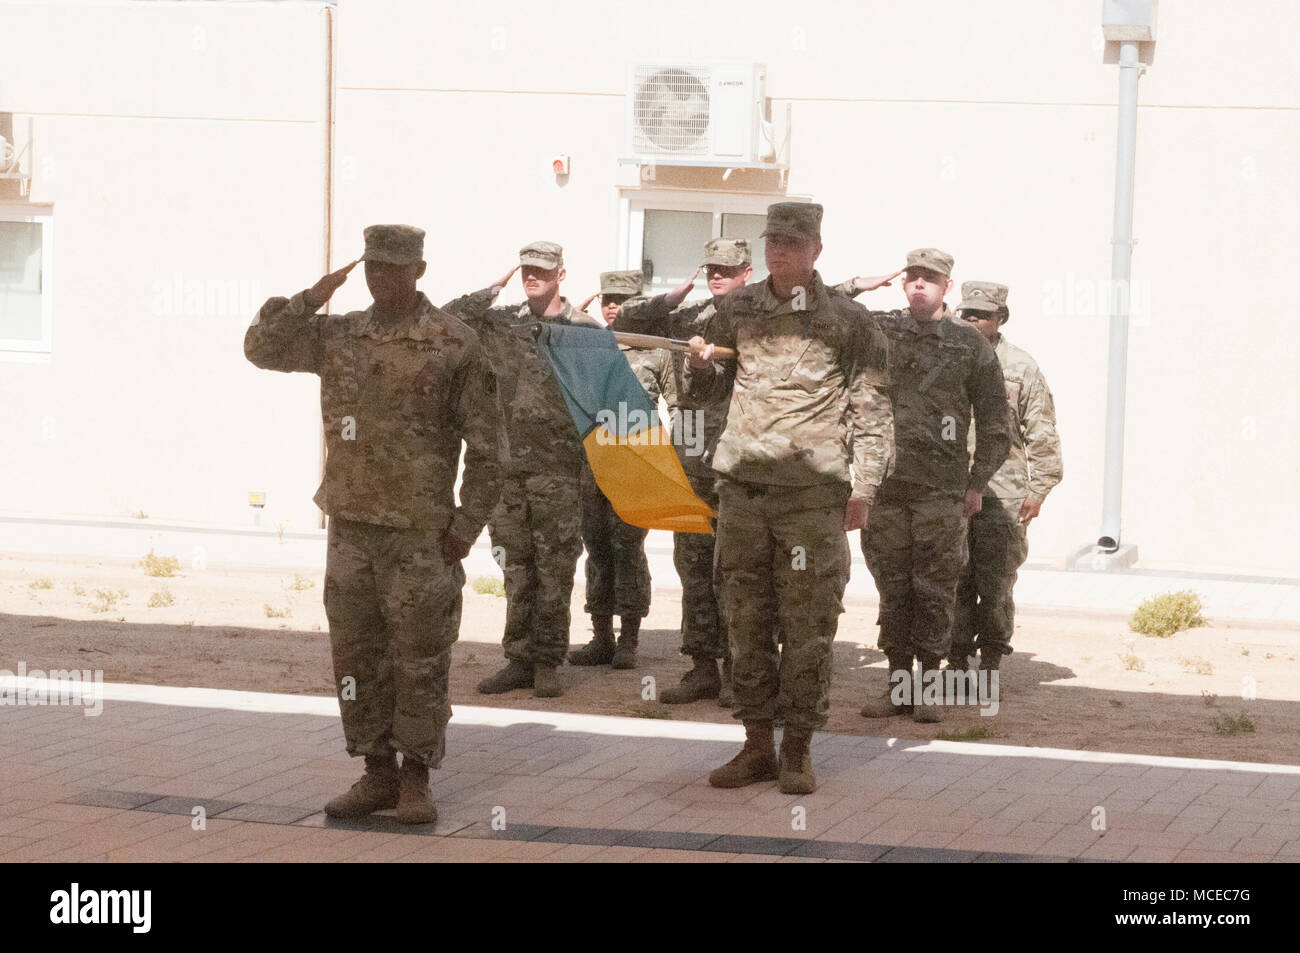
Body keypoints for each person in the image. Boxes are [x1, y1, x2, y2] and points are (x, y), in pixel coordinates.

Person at [244, 225, 503, 824]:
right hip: (353, 528)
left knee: (418, 655)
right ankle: (375, 771)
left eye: (393, 268)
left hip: (421, 533)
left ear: (419, 270)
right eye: (372, 267)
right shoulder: (340, 337)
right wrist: (311, 296)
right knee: (356, 656)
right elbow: (262, 348)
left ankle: (416, 779)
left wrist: (465, 526)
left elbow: (490, 449)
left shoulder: (454, 344)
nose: (380, 278)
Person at [686, 203, 893, 794]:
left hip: (810, 498)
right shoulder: (735, 309)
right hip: (745, 491)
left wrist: (866, 487)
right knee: (744, 621)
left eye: (792, 243)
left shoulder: (849, 322)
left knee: (807, 624)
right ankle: (756, 744)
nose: (780, 252)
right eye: (772, 241)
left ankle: (798, 748)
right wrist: (700, 363)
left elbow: (873, 408)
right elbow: (706, 387)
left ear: (816, 251)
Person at [839, 250, 1011, 723]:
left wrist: (977, 483)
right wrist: (860, 282)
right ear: (902, 282)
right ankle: (898, 686)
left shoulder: (969, 344)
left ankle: (929, 688)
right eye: (912, 277)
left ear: (947, 287)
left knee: (935, 592)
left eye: (929, 279)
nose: (919, 285)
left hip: (941, 491)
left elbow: (997, 422)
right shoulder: (878, 329)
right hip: (886, 489)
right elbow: (820, 304)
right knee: (893, 591)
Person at [443, 241, 603, 699]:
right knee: (515, 567)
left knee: (556, 568)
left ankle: (548, 661)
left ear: (561, 274)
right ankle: (519, 658)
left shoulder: (584, 331)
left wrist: (592, 472)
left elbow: (601, 406)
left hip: (559, 469)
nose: (533, 276)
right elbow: (450, 318)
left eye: (542, 270)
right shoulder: (501, 322)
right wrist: (492, 287)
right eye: (527, 269)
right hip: (507, 469)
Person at [612, 240, 753, 706]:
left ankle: (738, 670)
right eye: (711, 268)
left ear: (746, 272)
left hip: (737, 458)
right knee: (692, 563)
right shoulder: (686, 317)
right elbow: (629, 322)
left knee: (735, 570)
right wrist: (669, 298)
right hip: (691, 452)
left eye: (727, 270)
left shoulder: (760, 319)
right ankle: (702, 667)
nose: (717, 276)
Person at [951, 281, 1062, 676]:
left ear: (1001, 318)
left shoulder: (1020, 367)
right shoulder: (946, 358)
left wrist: (1039, 490)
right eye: (967, 313)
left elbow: (1042, 431)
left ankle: (991, 660)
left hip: (1004, 491)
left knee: (995, 582)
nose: (972, 320)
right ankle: (957, 659)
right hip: (951, 488)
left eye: (982, 314)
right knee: (954, 578)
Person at [569, 269, 654, 669]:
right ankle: (601, 636)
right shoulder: (587, 349)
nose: (613, 306)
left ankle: (629, 640)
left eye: (623, 298)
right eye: (608, 298)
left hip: (635, 467)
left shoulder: (653, 350)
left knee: (628, 549)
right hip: (592, 466)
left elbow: (681, 404)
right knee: (597, 549)